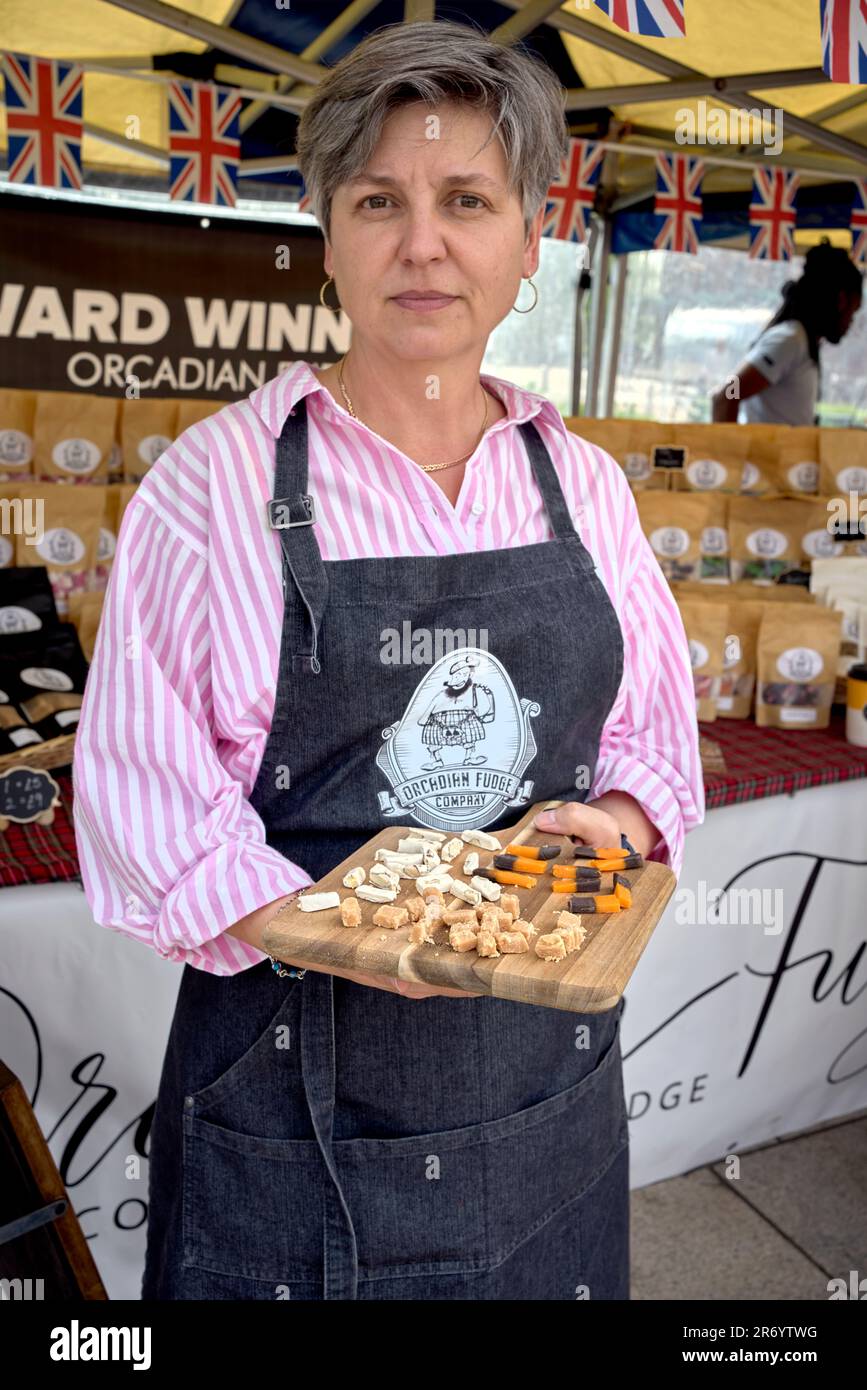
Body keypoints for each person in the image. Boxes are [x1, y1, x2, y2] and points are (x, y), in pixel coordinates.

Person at [72, 19, 704, 1301]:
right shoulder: (211, 489)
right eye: (380, 201)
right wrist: (366, 932)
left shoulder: (584, 486)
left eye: (466, 200)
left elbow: (655, 736)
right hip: (290, 1108)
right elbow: (140, 803)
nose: (424, 243)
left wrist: (619, 820)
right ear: (327, 235)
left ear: (531, 241)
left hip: (549, 1098)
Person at [711, 240, 862, 426]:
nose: (851, 322)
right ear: (841, 301)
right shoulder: (790, 341)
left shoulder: (804, 343)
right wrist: (728, 453)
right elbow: (726, 395)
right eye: (852, 313)